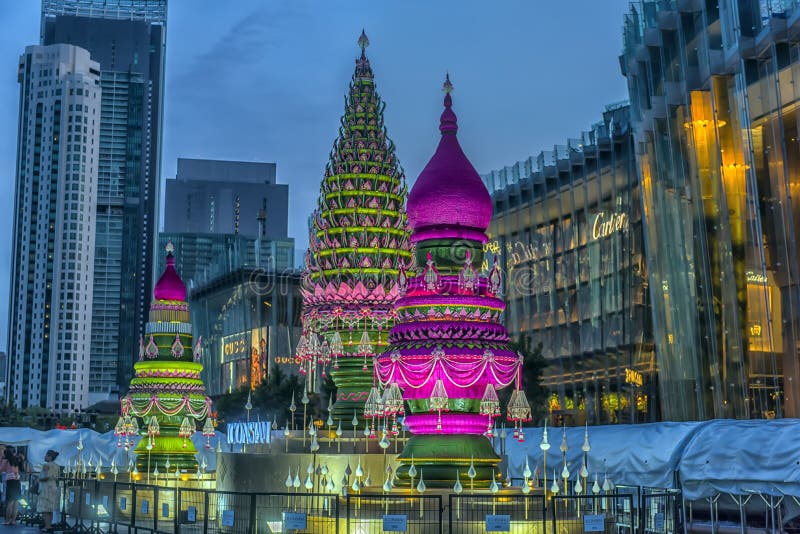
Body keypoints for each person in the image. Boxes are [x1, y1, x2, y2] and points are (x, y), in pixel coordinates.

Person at [37, 450, 60, 533]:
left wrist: (38, 479)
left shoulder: (46, 465)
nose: (45, 457)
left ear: (50, 457)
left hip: (46, 488)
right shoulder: (57, 466)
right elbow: (56, 477)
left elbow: (47, 477)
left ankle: (47, 526)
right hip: (53, 486)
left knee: (45, 508)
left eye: (46, 455)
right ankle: (49, 525)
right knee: (50, 508)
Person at [0, 447, 21, 525]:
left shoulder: (6, 460)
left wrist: (1, 459)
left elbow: (0, 469)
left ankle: (7, 520)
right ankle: (13, 520)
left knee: (9, 502)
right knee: (16, 502)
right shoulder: (15, 460)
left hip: (10, 482)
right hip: (17, 481)